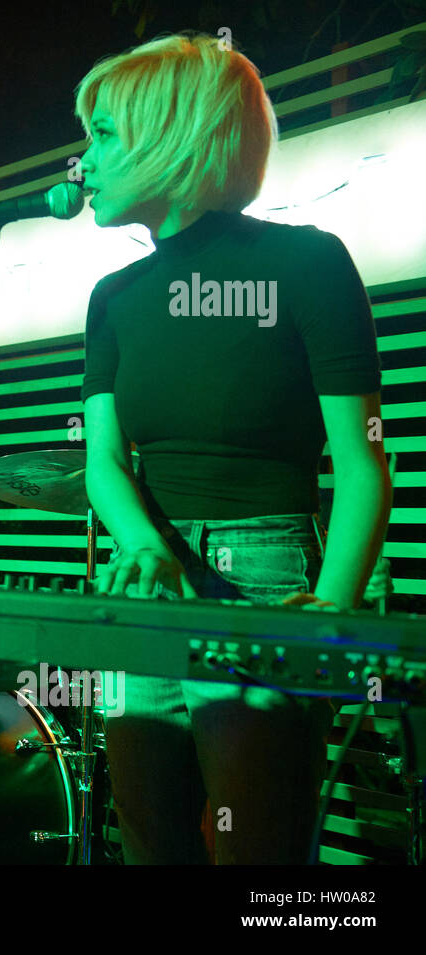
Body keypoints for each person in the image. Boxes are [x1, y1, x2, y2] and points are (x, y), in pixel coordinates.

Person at [76, 33, 392, 863]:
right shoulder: (111, 298)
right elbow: (104, 462)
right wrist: (143, 544)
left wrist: (331, 607)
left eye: (102, 134)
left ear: (171, 131)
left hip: (268, 579)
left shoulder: (310, 262)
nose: (84, 160)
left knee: (257, 855)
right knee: (150, 841)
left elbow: (362, 459)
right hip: (148, 588)